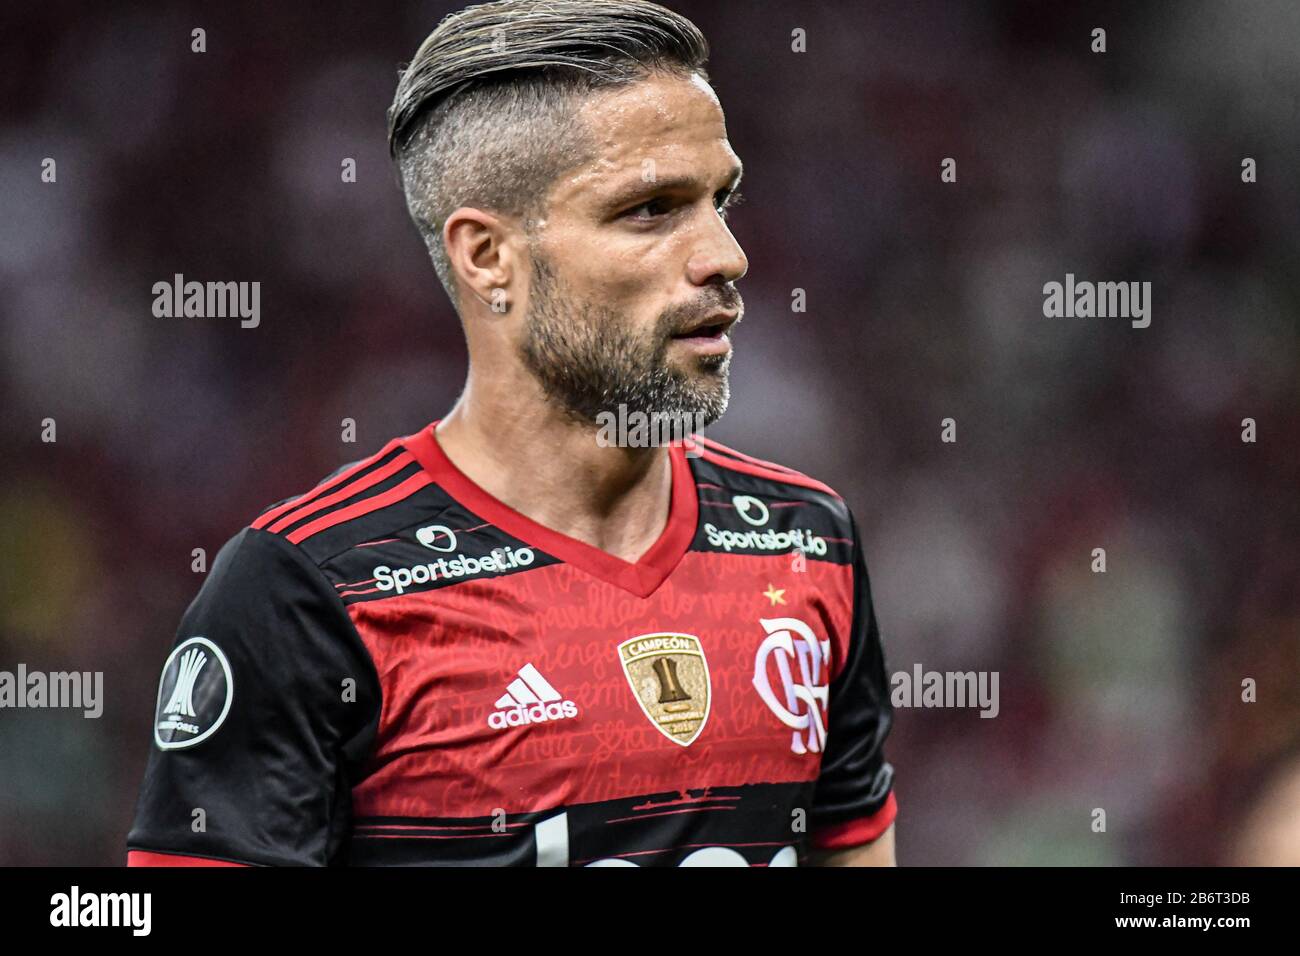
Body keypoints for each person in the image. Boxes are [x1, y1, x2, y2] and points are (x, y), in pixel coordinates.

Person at [127, 0, 897, 867]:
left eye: (722, 199)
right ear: (488, 257)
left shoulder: (806, 543)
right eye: (650, 209)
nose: (725, 254)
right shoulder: (307, 594)